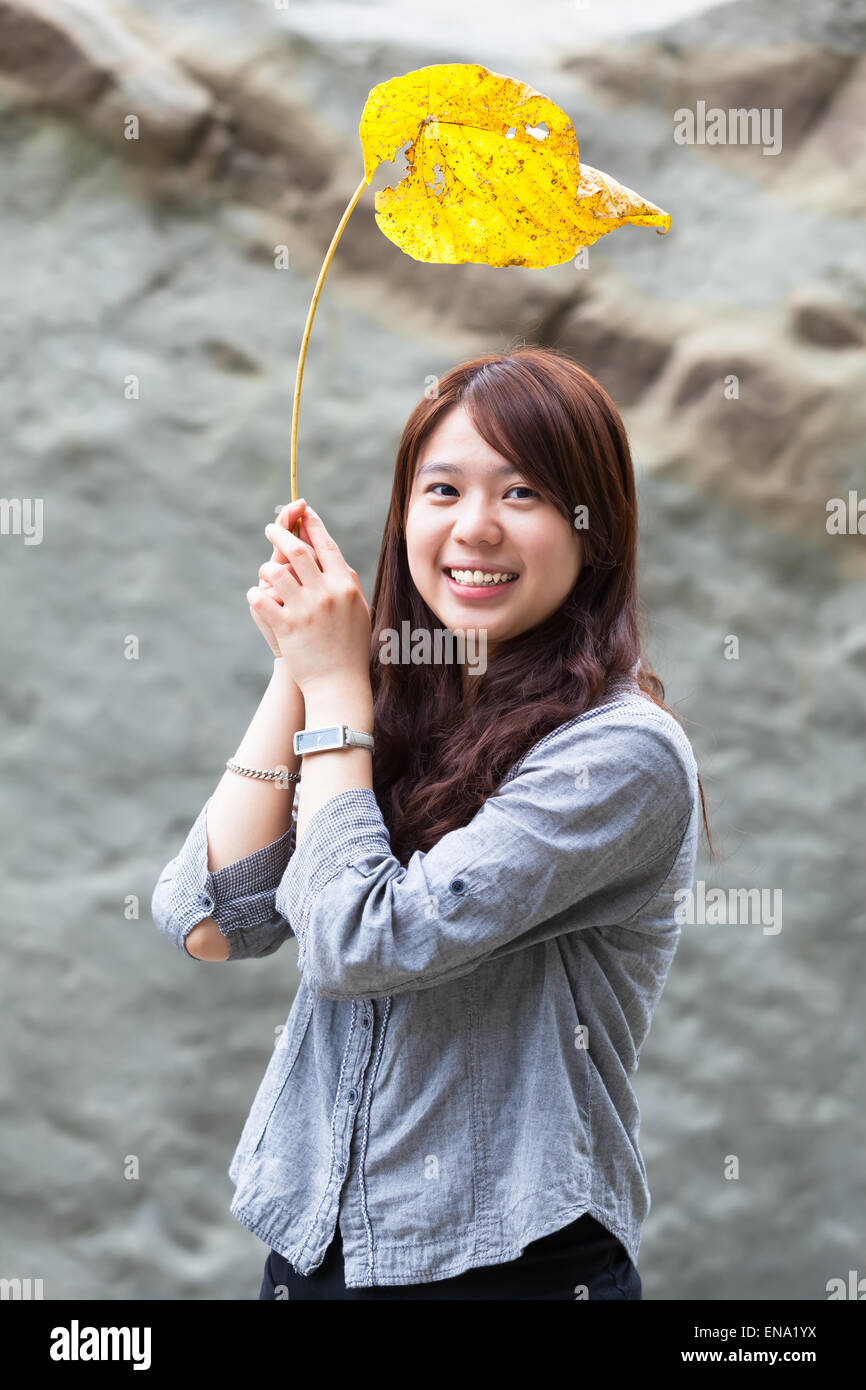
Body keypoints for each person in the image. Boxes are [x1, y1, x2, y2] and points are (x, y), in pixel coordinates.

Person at [151, 344, 714, 1300]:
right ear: (405, 514)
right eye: (443, 489)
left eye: (525, 494)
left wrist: (332, 684)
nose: (477, 527)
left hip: (504, 1266)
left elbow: (359, 944)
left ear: (595, 531)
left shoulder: (623, 756)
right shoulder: (388, 701)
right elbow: (210, 919)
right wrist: (305, 663)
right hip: (315, 1256)